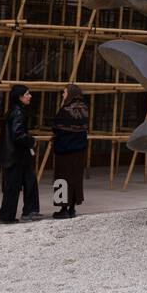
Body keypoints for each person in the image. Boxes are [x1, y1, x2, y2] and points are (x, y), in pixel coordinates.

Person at [0, 84, 40, 224]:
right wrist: (31, 141)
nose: (30, 96)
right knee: (14, 186)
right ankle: (6, 216)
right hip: (15, 156)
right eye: (27, 94)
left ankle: (27, 212)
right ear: (20, 97)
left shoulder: (14, 111)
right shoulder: (18, 112)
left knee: (27, 182)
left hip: (17, 155)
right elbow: (18, 134)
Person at [51, 84, 89, 219]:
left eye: (65, 92)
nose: (63, 95)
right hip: (79, 151)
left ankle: (63, 208)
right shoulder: (84, 109)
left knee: (62, 178)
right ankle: (72, 208)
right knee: (75, 179)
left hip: (64, 151)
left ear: (71, 94)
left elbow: (56, 127)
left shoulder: (65, 110)